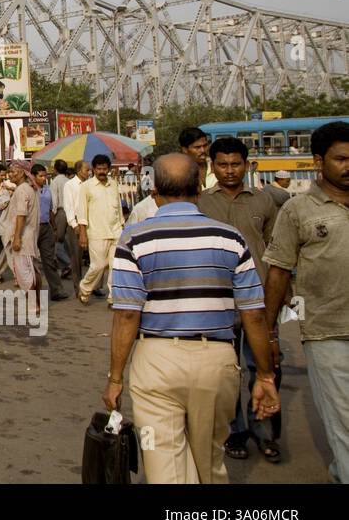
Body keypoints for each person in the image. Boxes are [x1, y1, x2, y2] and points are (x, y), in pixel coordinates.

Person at [103, 152, 279, 484]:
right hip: (217, 361)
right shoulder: (230, 238)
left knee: (162, 465)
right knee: (209, 462)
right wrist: (266, 375)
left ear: (154, 192)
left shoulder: (134, 239)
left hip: (155, 363)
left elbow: (127, 314)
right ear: (199, 190)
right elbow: (254, 316)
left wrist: (115, 378)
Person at [263, 121, 349, 484]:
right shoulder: (298, 210)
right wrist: (268, 334)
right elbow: (279, 272)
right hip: (327, 332)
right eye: (341, 158)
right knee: (344, 422)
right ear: (318, 162)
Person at [198, 136, 281, 463]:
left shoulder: (264, 202)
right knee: (227, 371)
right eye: (222, 164)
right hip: (218, 300)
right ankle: (235, 432)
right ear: (212, 166)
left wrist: (282, 294)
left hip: (258, 299)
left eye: (236, 164)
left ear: (246, 165)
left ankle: (266, 433)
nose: (230, 171)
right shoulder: (202, 203)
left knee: (266, 366)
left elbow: (276, 250)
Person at [76, 153, 124, 305]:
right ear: (94, 170)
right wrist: (82, 234)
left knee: (115, 266)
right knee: (98, 266)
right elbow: (82, 212)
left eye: (104, 169)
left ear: (109, 169)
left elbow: (119, 210)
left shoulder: (114, 184)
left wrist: (123, 226)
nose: (102, 172)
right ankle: (84, 289)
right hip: (96, 232)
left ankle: (113, 297)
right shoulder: (86, 187)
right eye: (99, 169)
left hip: (116, 231)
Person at [3, 162, 41, 291]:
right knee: (32, 271)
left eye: (14, 171)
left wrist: (17, 238)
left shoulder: (22, 190)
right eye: (10, 171)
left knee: (25, 274)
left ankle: (33, 303)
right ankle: (36, 302)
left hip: (24, 237)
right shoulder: (27, 189)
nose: (10, 174)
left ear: (22, 173)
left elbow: (21, 215)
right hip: (29, 235)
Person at [31, 163, 67, 298]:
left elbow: (51, 209)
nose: (44, 178)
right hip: (32, 227)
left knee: (49, 260)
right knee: (31, 262)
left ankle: (56, 290)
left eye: (45, 176)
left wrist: (54, 227)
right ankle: (33, 291)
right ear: (33, 176)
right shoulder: (29, 190)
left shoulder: (47, 189)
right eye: (41, 176)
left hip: (46, 226)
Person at [63, 161, 91, 279]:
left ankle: (94, 286)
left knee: (94, 256)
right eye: (86, 170)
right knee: (76, 257)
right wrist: (74, 225)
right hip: (76, 222)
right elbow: (68, 206)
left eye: (89, 170)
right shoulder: (70, 185)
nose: (89, 173)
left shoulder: (90, 184)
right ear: (79, 171)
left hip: (90, 221)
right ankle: (78, 287)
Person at [179, 126, 217, 190]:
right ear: (185, 149)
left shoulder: (216, 167)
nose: (203, 150)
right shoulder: (178, 173)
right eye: (197, 147)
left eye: (205, 145)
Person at [50, 160, 71, 270]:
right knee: (67, 240)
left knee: (58, 240)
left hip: (61, 212)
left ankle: (67, 264)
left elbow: (54, 202)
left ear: (55, 169)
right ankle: (67, 265)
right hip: (70, 212)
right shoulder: (69, 181)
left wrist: (52, 217)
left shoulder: (55, 182)